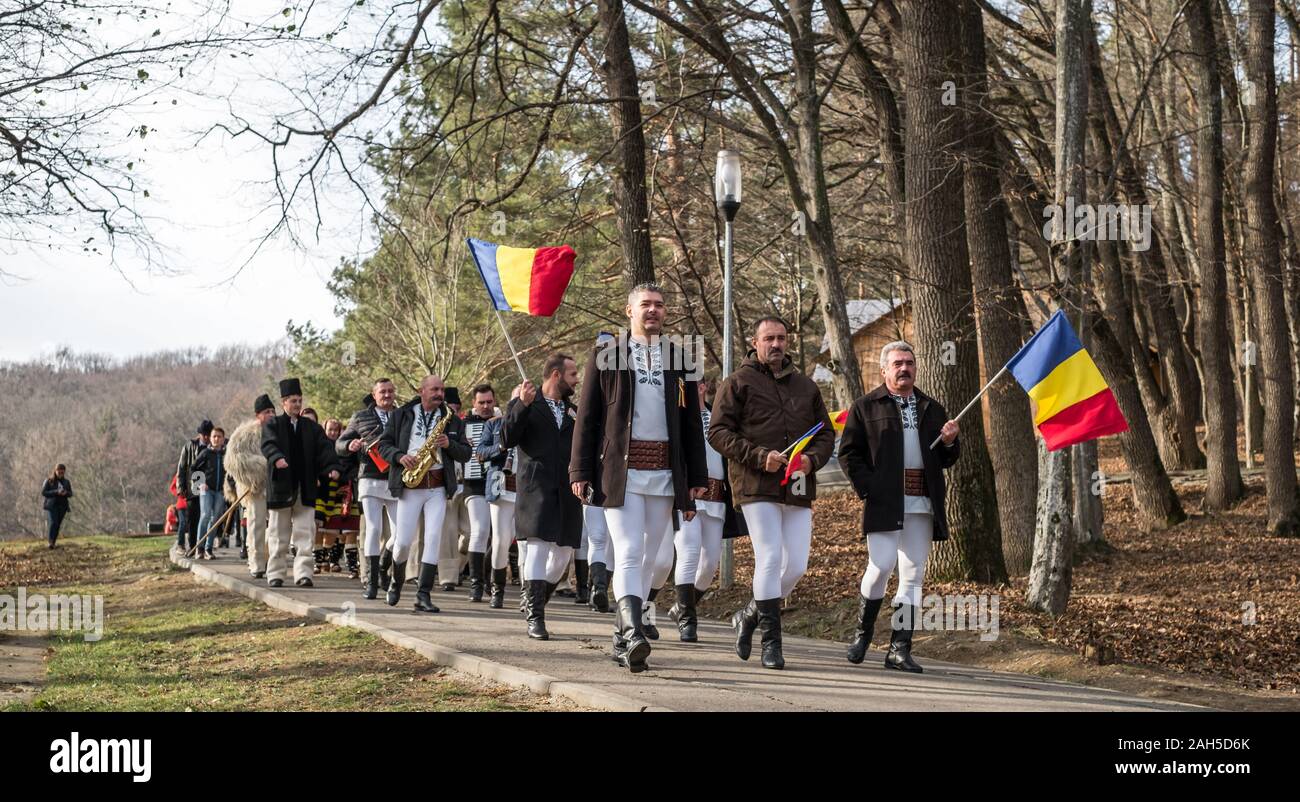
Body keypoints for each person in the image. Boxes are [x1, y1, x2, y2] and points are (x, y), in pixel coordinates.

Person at [570, 284, 709, 672]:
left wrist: (696, 474)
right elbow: (587, 417)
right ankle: (633, 634)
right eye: (645, 305)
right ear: (628, 310)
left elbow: (690, 421)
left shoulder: (680, 359)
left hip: (666, 474)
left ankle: (622, 636)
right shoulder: (606, 355)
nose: (653, 311)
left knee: (654, 557)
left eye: (659, 305)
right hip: (622, 472)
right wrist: (580, 470)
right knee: (629, 550)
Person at [708, 316, 835, 670]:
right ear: (755, 341)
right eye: (769, 339)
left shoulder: (806, 386)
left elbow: (826, 433)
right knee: (770, 557)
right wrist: (760, 456)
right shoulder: (737, 382)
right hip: (755, 484)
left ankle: (749, 614)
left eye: (781, 338)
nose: (776, 344)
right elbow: (718, 432)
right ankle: (772, 645)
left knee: (795, 565)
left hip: (797, 484)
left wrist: (812, 460)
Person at [837, 340, 960, 674]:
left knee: (913, 574)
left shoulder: (931, 408)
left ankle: (899, 648)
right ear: (884, 370)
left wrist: (950, 442)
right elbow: (849, 454)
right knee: (880, 567)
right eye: (898, 363)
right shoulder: (866, 407)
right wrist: (870, 488)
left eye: (909, 363)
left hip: (922, 501)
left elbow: (946, 459)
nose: (904, 368)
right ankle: (862, 635)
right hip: (884, 501)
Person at [503, 353, 584, 640]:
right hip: (535, 489)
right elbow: (507, 438)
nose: (577, 379)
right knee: (537, 549)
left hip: (569, 491)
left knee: (562, 556)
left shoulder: (575, 411)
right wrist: (521, 405)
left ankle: (533, 599)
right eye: (573, 374)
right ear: (556, 375)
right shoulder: (526, 404)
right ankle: (536, 617)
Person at [377, 374, 472, 610]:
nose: (440, 393)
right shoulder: (402, 415)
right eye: (434, 389)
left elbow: (466, 453)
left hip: (438, 486)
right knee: (403, 542)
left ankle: (423, 595)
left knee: (432, 539)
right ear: (422, 391)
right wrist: (400, 456)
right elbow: (383, 445)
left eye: (441, 389)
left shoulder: (452, 420)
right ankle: (395, 582)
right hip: (410, 485)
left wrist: (450, 445)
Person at [668, 376, 746, 641]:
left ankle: (682, 606)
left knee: (710, 563)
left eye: (693, 385)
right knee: (689, 553)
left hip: (715, 498)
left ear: (702, 387)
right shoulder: (677, 419)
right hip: (688, 496)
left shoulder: (718, 418)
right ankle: (688, 621)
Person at [261, 378, 343, 588]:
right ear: (284, 403)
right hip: (281, 487)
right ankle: (276, 574)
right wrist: (277, 457)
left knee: (305, 534)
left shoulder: (311, 428)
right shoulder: (273, 424)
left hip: (306, 488)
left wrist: (332, 467)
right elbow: (268, 444)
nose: (297, 404)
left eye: (299, 400)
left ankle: (303, 574)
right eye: (293, 401)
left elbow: (325, 449)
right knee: (278, 535)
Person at [338, 379, 401, 599]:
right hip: (370, 477)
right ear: (373, 395)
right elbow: (340, 444)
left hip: (396, 478)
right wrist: (349, 445)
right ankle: (371, 582)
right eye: (382, 391)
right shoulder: (360, 417)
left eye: (390, 391)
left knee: (401, 533)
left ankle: (384, 565)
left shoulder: (403, 415)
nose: (387, 395)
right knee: (373, 529)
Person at [226, 394, 275, 578]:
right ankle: (256, 562)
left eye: (272, 411)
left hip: (275, 486)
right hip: (253, 488)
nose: (271, 414)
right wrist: (260, 468)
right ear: (258, 415)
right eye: (266, 412)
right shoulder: (243, 436)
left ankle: (269, 557)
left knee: (276, 526)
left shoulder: (278, 431)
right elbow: (233, 460)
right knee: (256, 524)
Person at [458, 384, 498, 603]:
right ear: (473, 403)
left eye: (489, 402)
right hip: (475, 484)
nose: (485, 406)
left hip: (500, 483)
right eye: (481, 402)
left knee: (501, 536)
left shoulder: (503, 421)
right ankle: (476, 584)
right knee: (480, 531)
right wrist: (464, 445)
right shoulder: (465, 425)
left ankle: (491, 579)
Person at [477, 405, 516, 609]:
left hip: (527, 488)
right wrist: (500, 447)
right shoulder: (493, 424)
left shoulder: (536, 424)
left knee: (526, 543)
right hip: (500, 486)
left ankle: (528, 593)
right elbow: (480, 452)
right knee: (501, 540)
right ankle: (497, 590)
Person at [193, 427, 229, 559]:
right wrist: (200, 483)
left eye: (219, 436)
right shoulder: (205, 453)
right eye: (214, 436)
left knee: (215, 519)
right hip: (206, 490)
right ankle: (199, 548)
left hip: (220, 491)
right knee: (205, 515)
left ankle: (208, 549)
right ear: (210, 438)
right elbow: (193, 468)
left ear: (223, 439)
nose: (216, 439)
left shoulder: (226, 454)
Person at [176, 420, 212, 553]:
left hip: (209, 484)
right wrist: (181, 487)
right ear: (200, 434)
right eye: (205, 435)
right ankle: (192, 546)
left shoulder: (214, 447)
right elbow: (181, 467)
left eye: (209, 434)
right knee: (193, 517)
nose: (207, 438)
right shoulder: (190, 446)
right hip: (194, 483)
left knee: (207, 516)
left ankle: (204, 546)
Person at [41, 464, 73, 548]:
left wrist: (66, 493)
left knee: (58, 524)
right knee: (53, 522)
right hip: (52, 505)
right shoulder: (49, 481)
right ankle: (50, 542)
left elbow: (70, 493)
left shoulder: (66, 482)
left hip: (63, 506)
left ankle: (53, 542)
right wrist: (55, 492)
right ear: (55, 471)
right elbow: (44, 492)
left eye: (62, 472)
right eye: (59, 472)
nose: (60, 474)